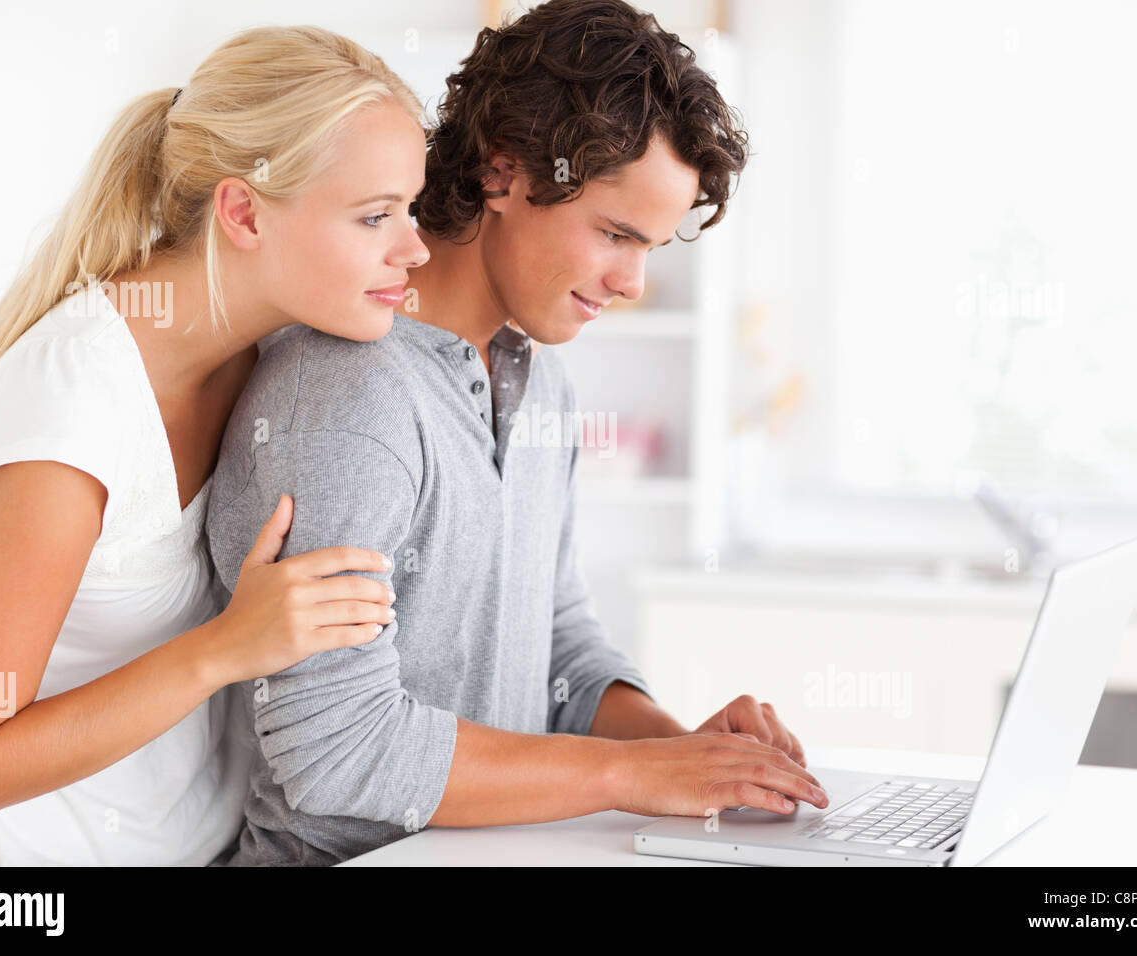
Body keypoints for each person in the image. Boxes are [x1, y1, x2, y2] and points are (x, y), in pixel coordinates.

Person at [206, 0, 827, 868]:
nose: (632, 282)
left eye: (650, 247)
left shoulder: (541, 381)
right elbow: (338, 753)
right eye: (614, 233)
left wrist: (684, 753)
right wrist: (631, 776)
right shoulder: (348, 394)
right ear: (502, 174)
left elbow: (558, 642)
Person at [0, 25, 425, 865]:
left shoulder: (270, 352)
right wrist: (226, 648)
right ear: (243, 213)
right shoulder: (70, 409)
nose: (414, 248)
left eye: (411, 209)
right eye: (376, 216)